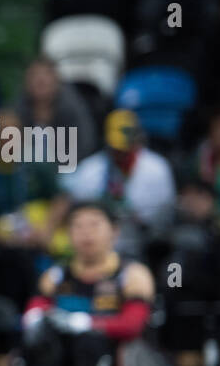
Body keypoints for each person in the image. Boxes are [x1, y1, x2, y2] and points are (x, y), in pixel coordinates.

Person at [21, 201, 155, 366]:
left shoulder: (132, 274)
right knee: (39, 340)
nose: (86, 233)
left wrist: (89, 324)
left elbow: (134, 325)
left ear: (114, 231)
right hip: (61, 357)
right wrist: (34, 318)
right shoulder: (56, 275)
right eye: (78, 226)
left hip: (110, 359)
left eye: (94, 225)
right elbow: (34, 312)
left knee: (88, 343)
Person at [0, 107, 69, 307]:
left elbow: (61, 199)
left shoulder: (38, 166)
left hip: (39, 239)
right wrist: (4, 236)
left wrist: (46, 229)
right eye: (1, 133)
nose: (8, 139)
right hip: (4, 247)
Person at [65, 109, 176, 259]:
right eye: (117, 148)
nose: (121, 153)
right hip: (99, 246)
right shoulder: (89, 171)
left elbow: (165, 217)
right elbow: (80, 213)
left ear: (138, 139)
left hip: (146, 244)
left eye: (126, 147)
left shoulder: (158, 169)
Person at [16, 56, 99, 161]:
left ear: (57, 80)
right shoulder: (20, 108)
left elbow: (86, 143)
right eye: (34, 75)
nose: (40, 80)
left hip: (70, 167)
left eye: (46, 75)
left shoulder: (71, 106)